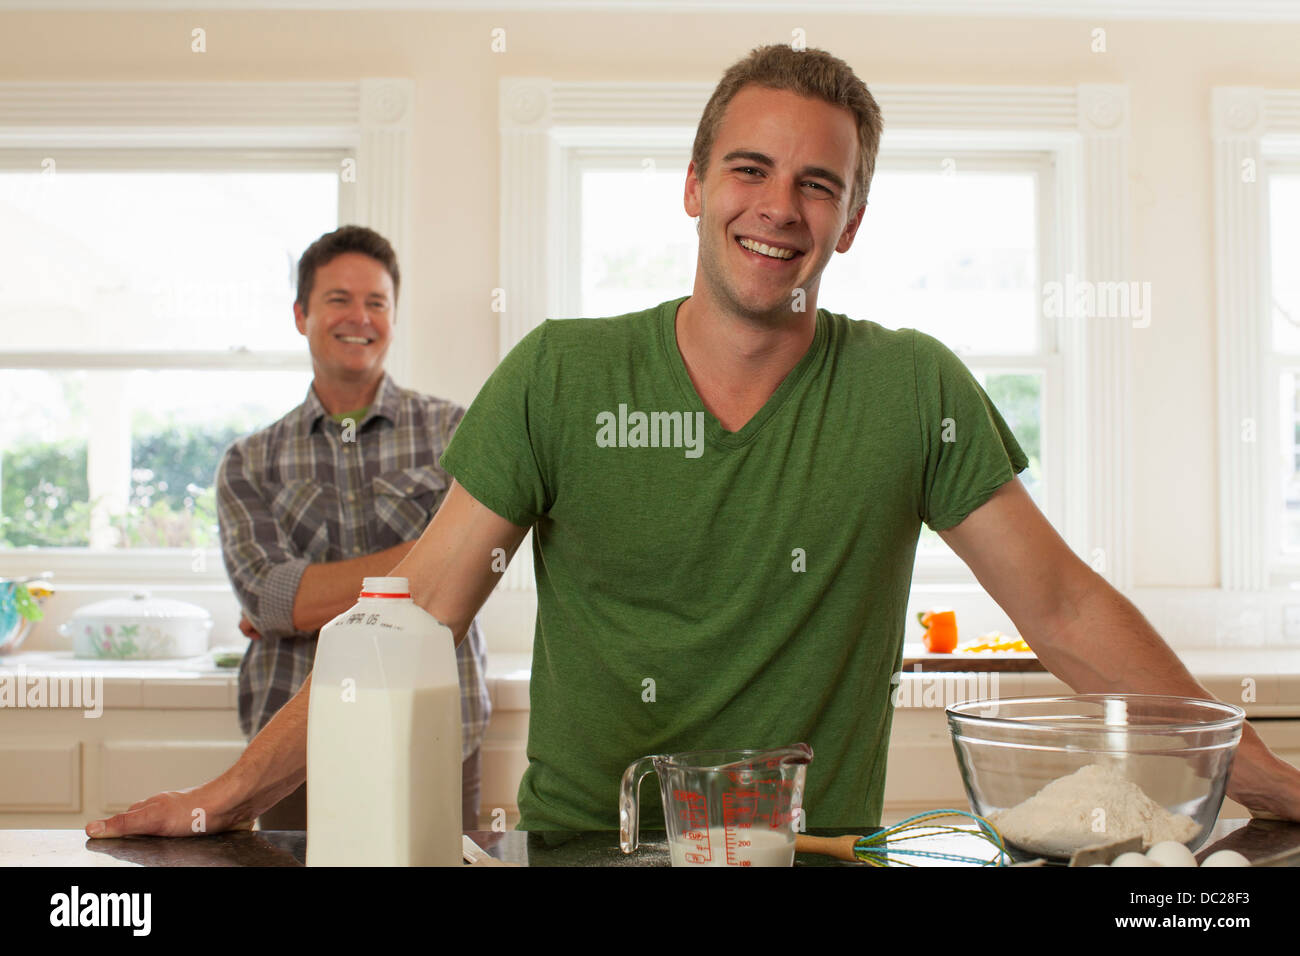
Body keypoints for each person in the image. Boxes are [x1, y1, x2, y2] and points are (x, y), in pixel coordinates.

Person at [86, 45, 1300, 840]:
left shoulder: (908, 385)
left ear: (852, 219)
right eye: (750, 168)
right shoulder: (562, 373)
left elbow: (1066, 609)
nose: (778, 206)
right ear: (692, 185)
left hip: (816, 855)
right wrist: (221, 798)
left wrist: (1271, 785)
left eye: (817, 184)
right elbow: (411, 612)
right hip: (580, 855)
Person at [212, 225, 490, 829]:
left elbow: (480, 566)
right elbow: (272, 599)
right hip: (296, 745)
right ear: (300, 314)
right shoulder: (248, 461)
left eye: (377, 302)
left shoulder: (454, 432)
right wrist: (437, 554)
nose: (359, 317)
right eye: (338, 299)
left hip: (436, 726)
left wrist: (313, 596)